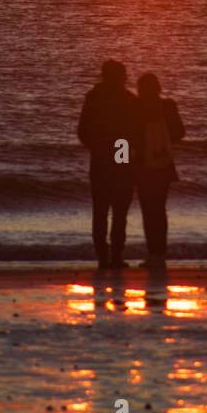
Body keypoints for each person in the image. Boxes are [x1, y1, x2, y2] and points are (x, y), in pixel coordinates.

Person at [77, 60, 140, 269]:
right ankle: (114, 255)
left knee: (101, 210)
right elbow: (135, 133)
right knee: (118, 210)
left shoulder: (93, 98)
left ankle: (104, 256)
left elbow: (83, 131)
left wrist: (97, 147)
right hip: (118, 156)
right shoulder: (128, 99)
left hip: (101, 158)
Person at [134, 72, 185, 267]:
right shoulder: (168, 106)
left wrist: (120, 161)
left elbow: (127, 137)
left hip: (141, 165)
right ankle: (160, 254)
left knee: (148, 210)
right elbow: (180, 132)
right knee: (160, 210)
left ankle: (152, 253)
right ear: (158, 87)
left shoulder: (135, 108)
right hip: (163, 164)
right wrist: (162, 141)